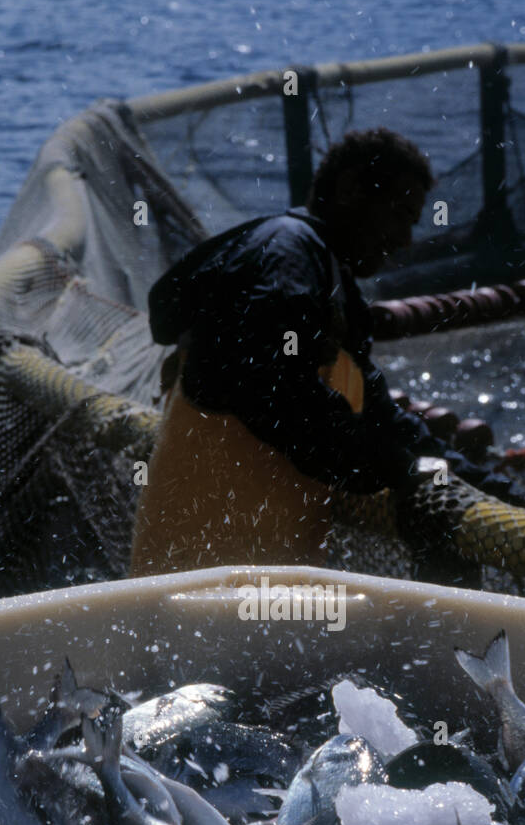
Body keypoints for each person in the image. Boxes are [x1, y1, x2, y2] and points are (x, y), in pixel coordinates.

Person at [129, 127, 440, 577]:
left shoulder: (329, 282)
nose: (406, 239)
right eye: (400, 214)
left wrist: (485, 483)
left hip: (257, 589)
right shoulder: (287, 254)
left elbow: (382, 417)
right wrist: (395, 467)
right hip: (200, 585)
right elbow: (274, 393)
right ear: (351, 190)